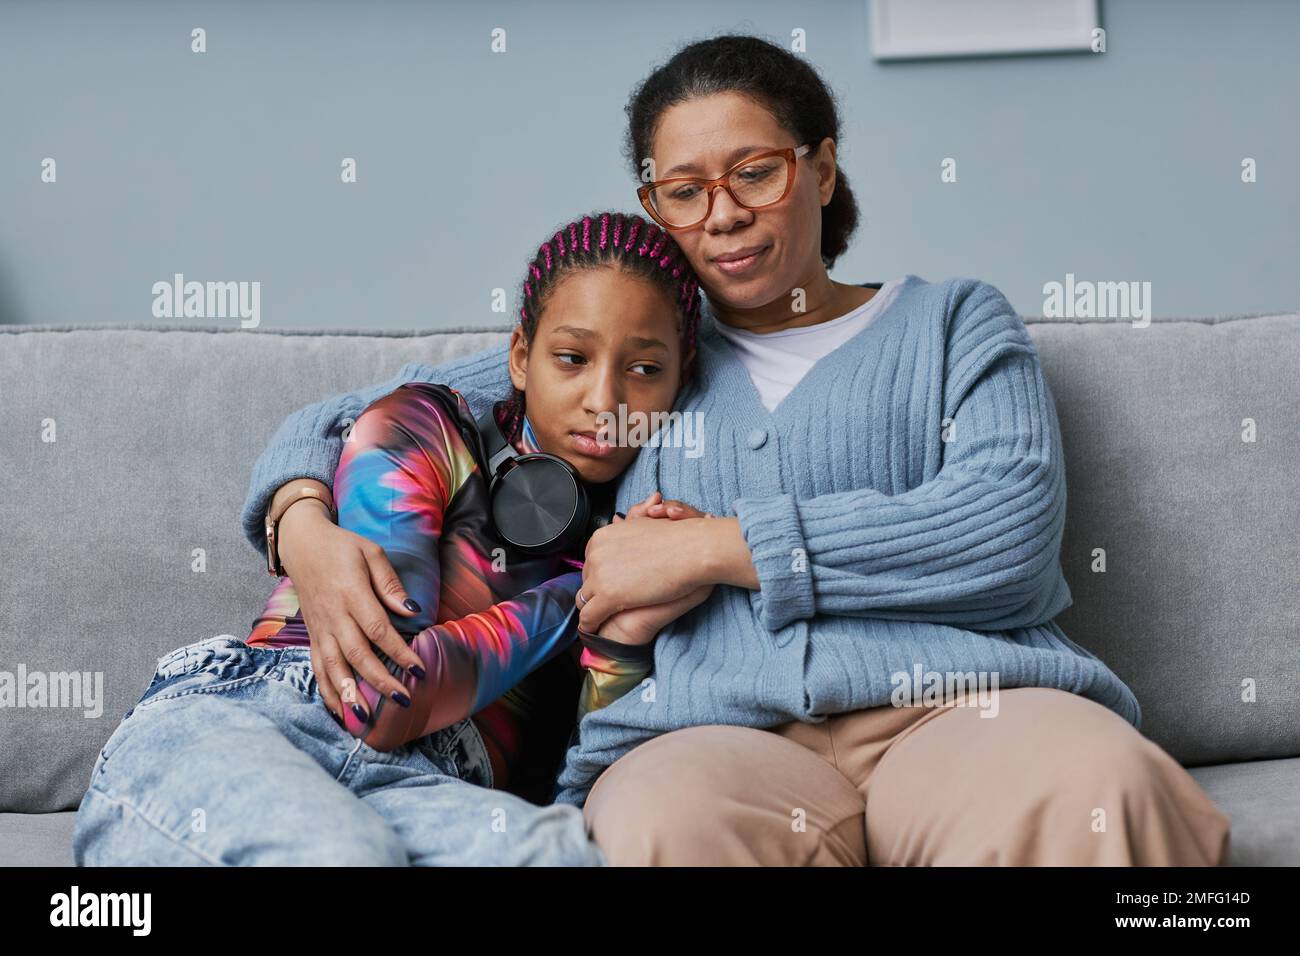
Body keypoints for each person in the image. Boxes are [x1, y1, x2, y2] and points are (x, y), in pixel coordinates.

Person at [238, 35, 1231, 866]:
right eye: (683, 188)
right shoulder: (641, 352)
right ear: (655, 206)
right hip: (710, 736)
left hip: (968, 708)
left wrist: (717, 546)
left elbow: (1004, 529)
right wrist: (304, 525)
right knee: (658, 828)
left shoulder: (952, 322)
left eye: (755, 171)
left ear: (822, 167)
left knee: (1096, 790)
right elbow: (336, 420)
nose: (722, 212)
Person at [72, 210, 703, 865]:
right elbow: (380, 696)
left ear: (680, 379)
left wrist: (618, 636)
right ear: (521, 357)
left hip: (434, 785)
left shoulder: (629, 551)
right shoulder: (422, 421)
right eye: (572, 358)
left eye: (645, 371)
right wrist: (577, 600)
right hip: (271, 714)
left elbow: (577, 794)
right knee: (342, 855)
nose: (606, 398)